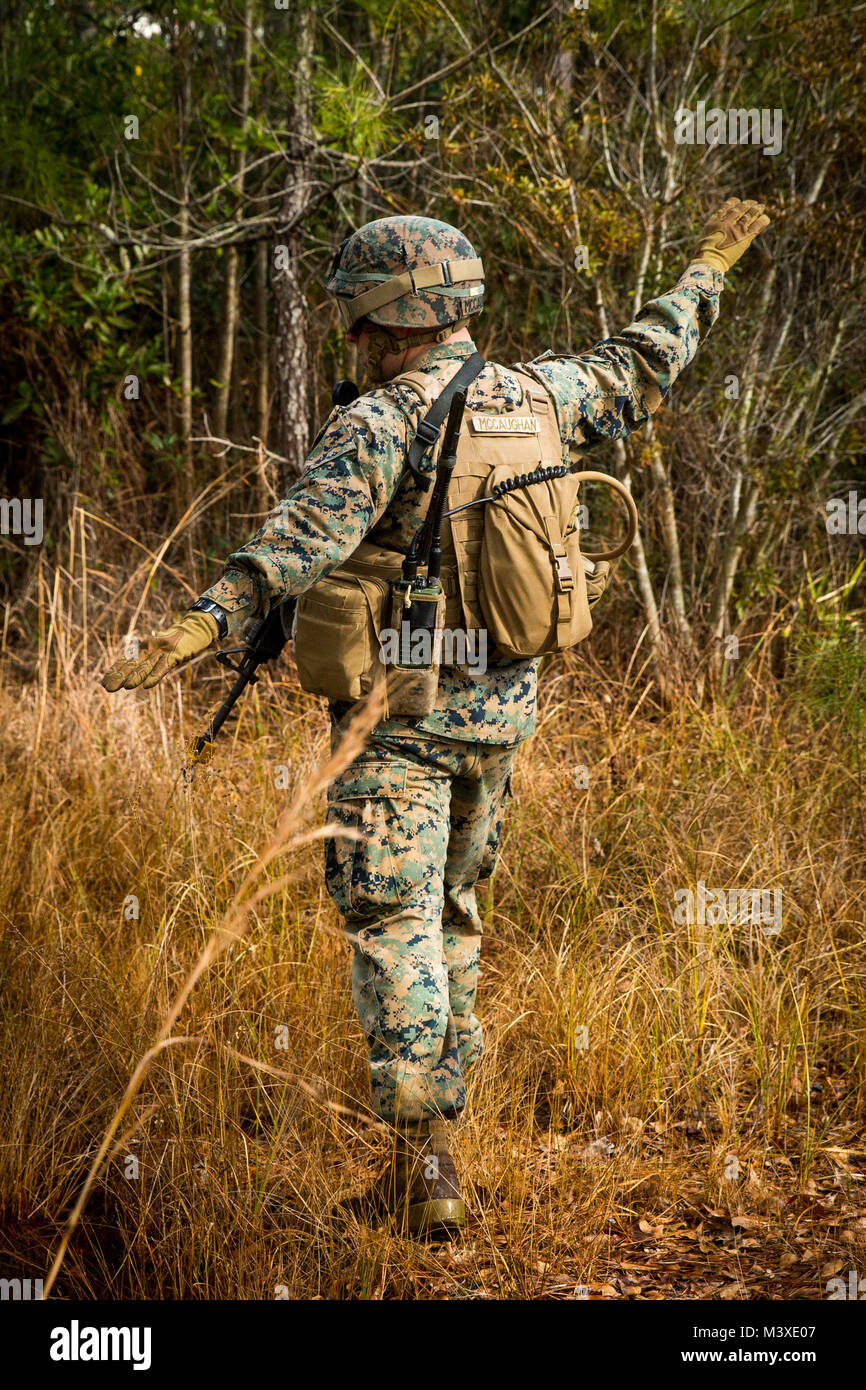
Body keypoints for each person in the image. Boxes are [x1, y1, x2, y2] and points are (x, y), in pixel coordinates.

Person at [102, 199, 770, 1238]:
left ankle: (424, 1169)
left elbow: (297, 542)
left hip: (400, 716)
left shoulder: (378, 419)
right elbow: (642, 360)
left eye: (354, 319)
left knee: (391, 920)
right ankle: (443, 1143)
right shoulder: (541, 395)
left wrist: (198, 626)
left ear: (386, 315)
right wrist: (708, 264)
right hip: (501, 716)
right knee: (455, 912)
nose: (349, 338)